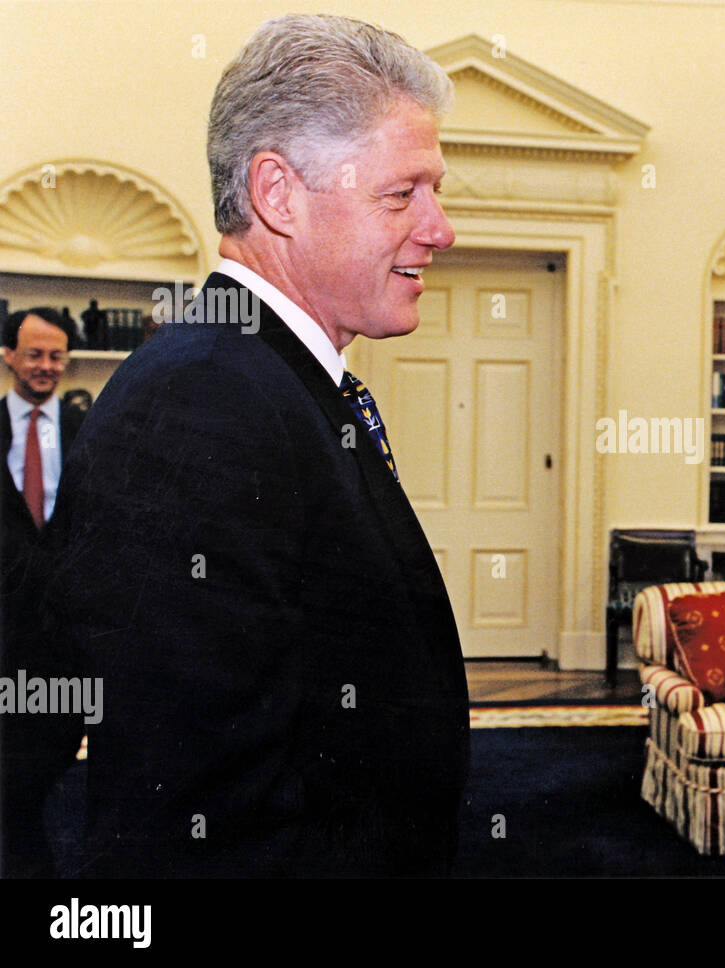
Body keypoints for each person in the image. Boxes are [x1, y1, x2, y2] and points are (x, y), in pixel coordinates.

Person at [43, 14, 468, 877]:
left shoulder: (268, 379)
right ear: (278, 194)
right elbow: (200, 822)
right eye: (402, 194)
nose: (441, 228)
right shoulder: (200, 401)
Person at [1, 307, 86, 877]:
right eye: (34, 354)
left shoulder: (90, 429)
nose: (46, 366)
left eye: (56, 356)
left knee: (54, 771)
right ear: (9, 356)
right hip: (3, 633)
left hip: (66, 637)